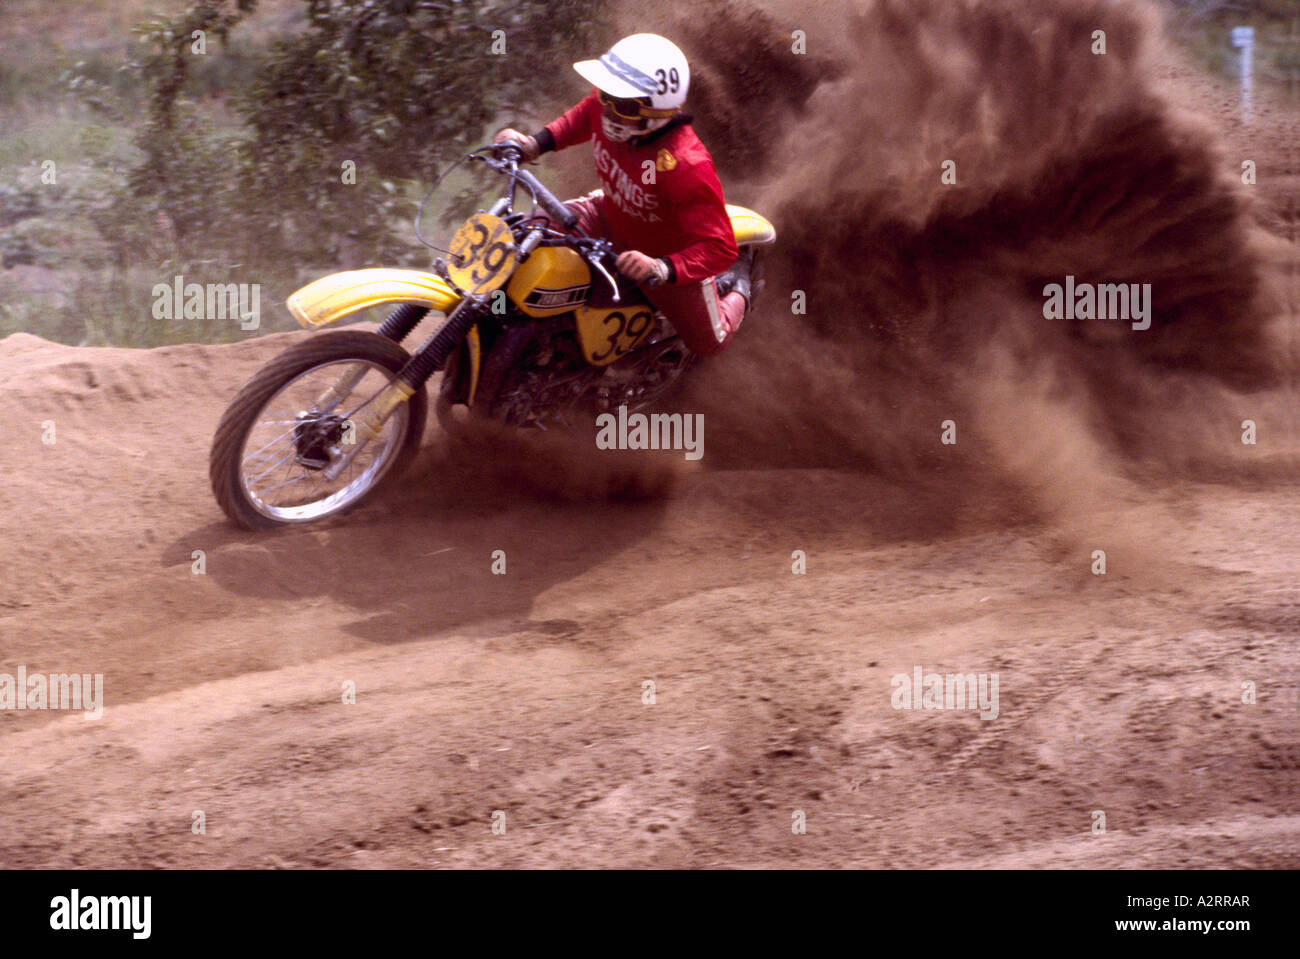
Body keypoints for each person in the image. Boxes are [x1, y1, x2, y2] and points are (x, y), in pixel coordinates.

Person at [493, 33, 756, 356]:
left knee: (709, 343)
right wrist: (533, 144)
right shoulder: (606, 107)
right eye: (606, 94)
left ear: (658, 112)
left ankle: (740, 287)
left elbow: (720, 246)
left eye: (625, 105)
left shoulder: (686, 165)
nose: (609, 111)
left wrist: (661, 268)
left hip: (665, 252)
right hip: (607, 215)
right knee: (520, 238)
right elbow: (583, 116)